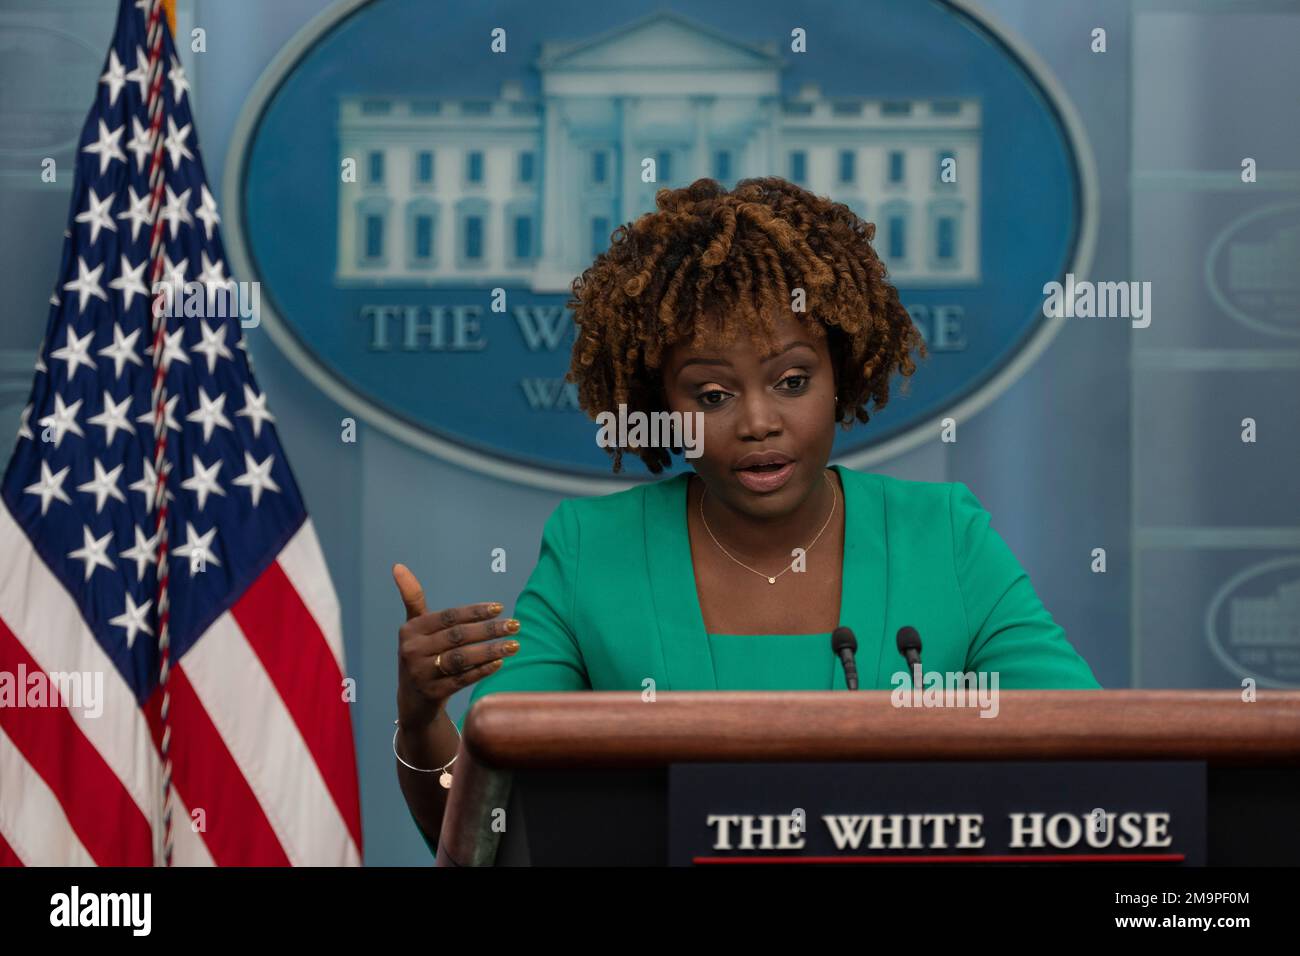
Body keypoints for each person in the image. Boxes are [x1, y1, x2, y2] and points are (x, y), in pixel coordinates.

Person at [393, 176, 1100, 857]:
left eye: (793, 381)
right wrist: (423, 721)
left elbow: (1090, 761)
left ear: (842, 372)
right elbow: (487, 825)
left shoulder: (944, 537)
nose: (759, 421)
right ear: (658, 406)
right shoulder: (592, 551)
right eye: (710, 395)